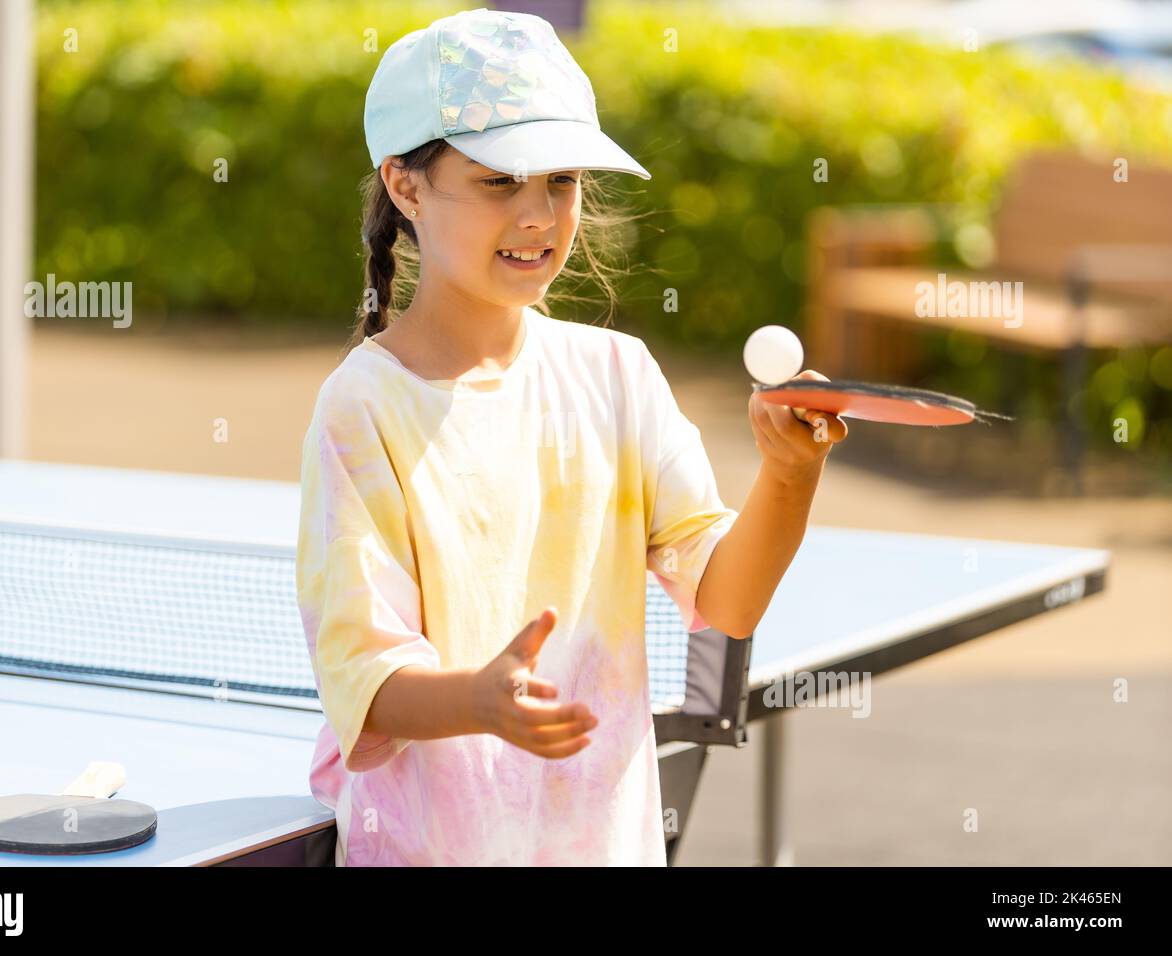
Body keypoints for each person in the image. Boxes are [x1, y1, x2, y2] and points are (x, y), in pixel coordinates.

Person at [295, 6, 846, 866]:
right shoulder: (361, 408)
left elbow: (728, 601)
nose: (539, 215)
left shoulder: (619, 375)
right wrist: (479, 701)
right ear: (406, 186)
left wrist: (788, 473)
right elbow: (367, 680)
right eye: (498, 182)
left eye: (561, 182)